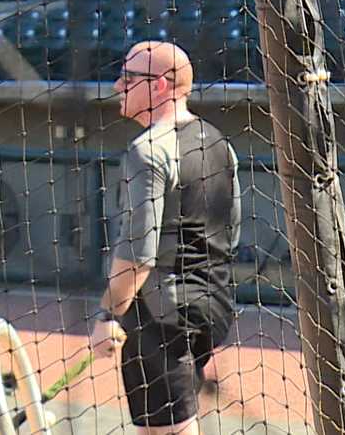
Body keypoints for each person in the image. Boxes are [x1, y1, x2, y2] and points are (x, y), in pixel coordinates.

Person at [90, 40, 242, 435]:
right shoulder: (217, 142)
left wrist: (109, 314)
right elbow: (232, 229)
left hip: (162, 314)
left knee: (169, 430)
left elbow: (138, 251)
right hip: (213, 307)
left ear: (158, 85)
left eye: (128, 78)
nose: (117, 86)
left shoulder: (148, 150)